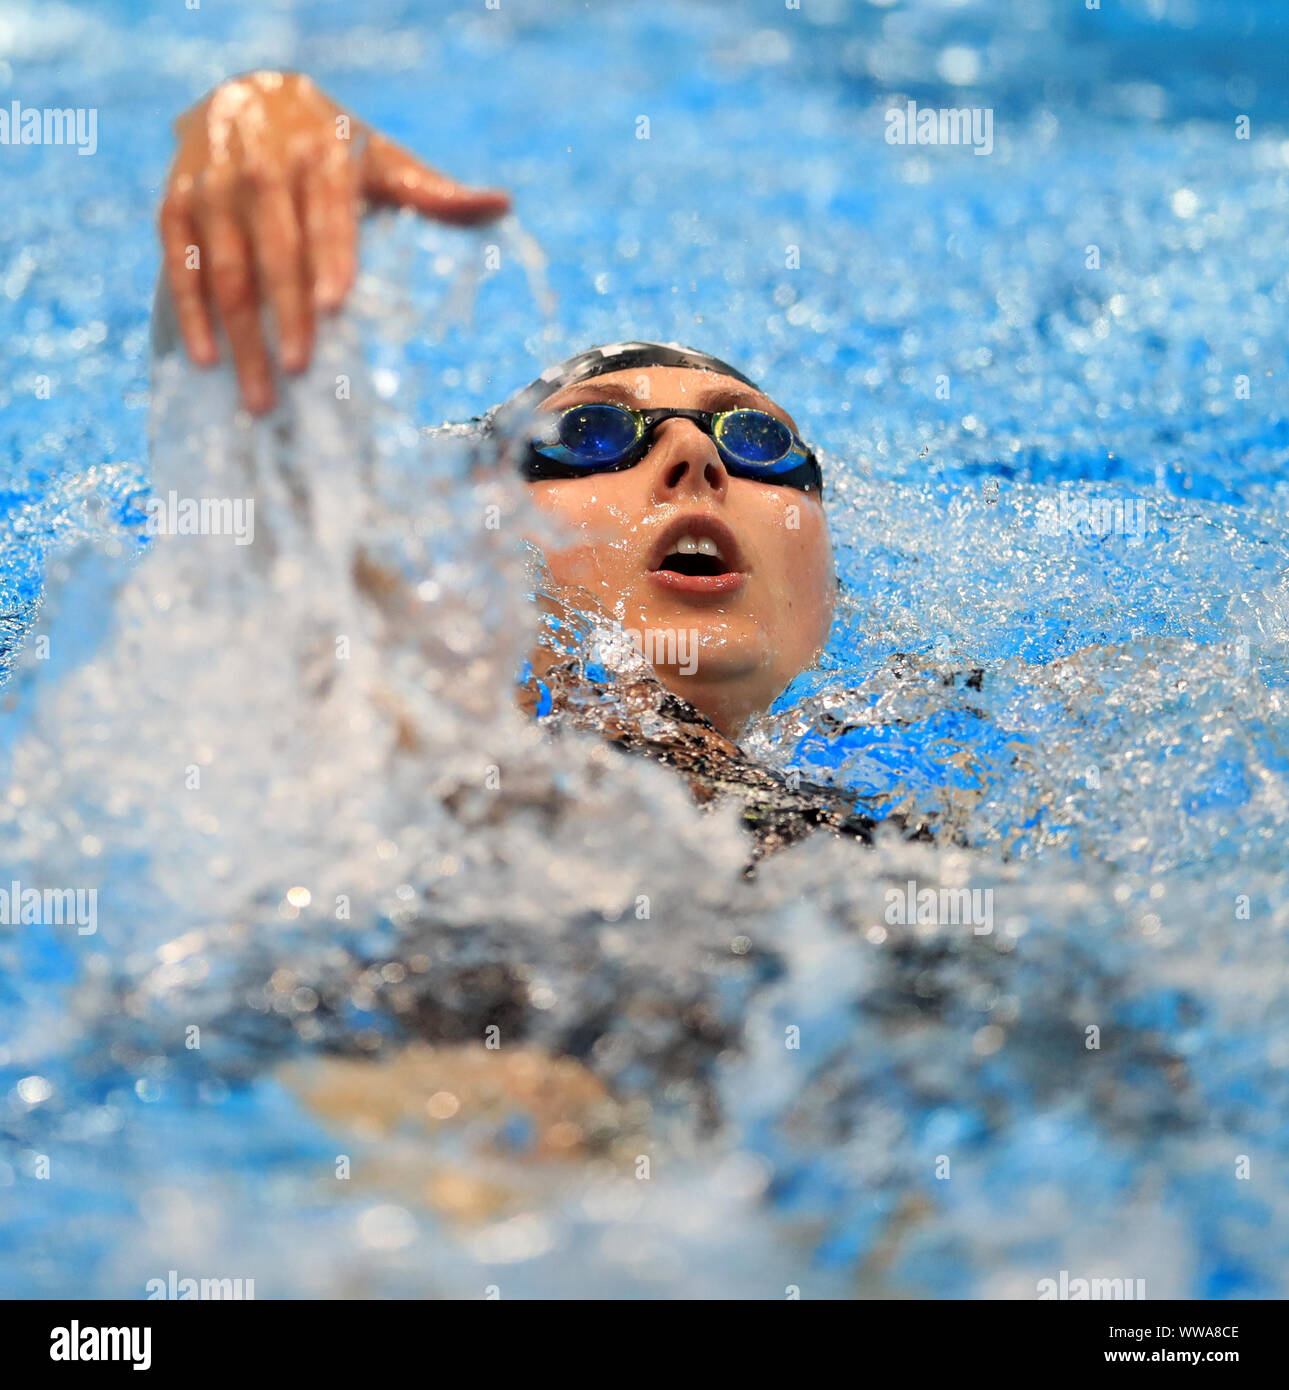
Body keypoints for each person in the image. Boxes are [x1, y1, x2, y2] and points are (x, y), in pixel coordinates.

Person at [159, 72, 933, 860]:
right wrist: (260, 124)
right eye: (593, 432)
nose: (695, 454)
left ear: (825, 583)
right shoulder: (381, 760)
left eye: (758, 441)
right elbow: (251, 514)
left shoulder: (934, 821)